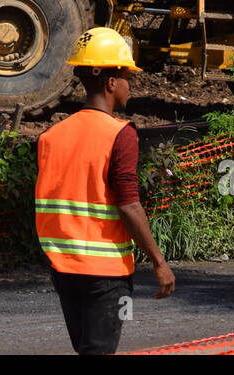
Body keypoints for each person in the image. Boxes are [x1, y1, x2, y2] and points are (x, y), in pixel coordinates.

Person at [35, 27, 176, 354]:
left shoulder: (51, 137)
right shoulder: (120, 134)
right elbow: (129, 205)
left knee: (87, 349)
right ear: (111, 82)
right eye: (128, 78)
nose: (131, 87)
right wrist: (158, 262)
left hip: (63, 267)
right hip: (106, 272)